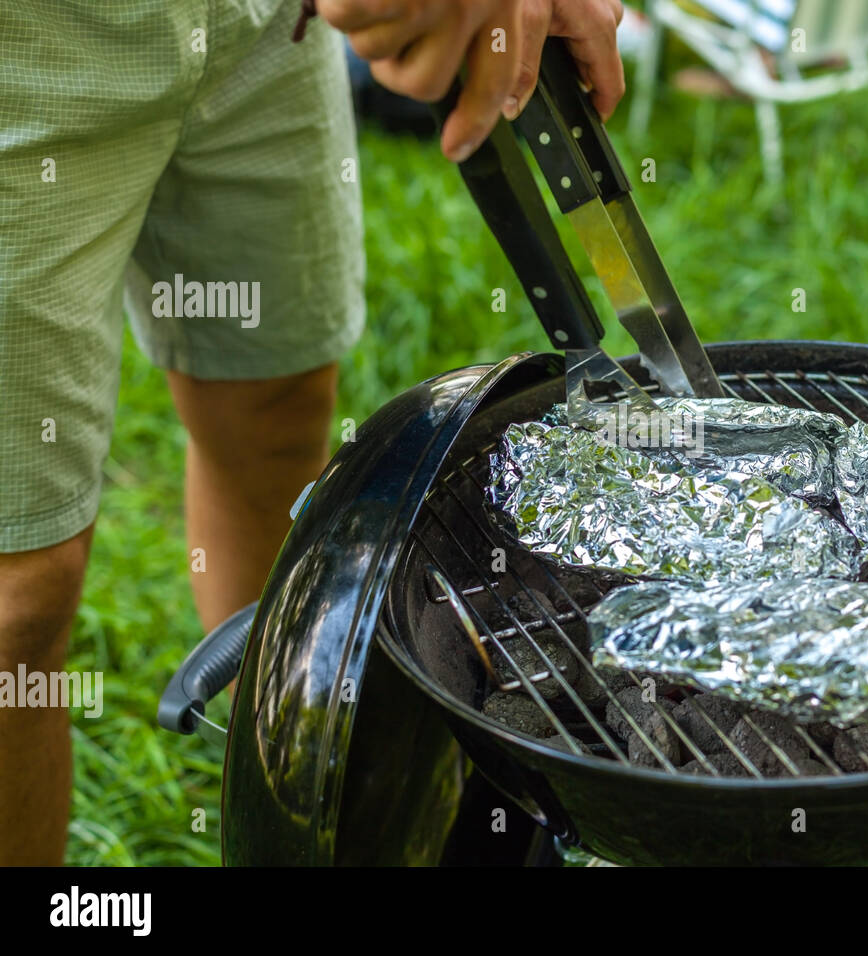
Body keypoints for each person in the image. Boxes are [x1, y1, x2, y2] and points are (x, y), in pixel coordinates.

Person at [0, 0, 625, 865]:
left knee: (274, 413)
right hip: (27, 52)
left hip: (260, 25)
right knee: (15, 599)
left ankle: (279, 798)